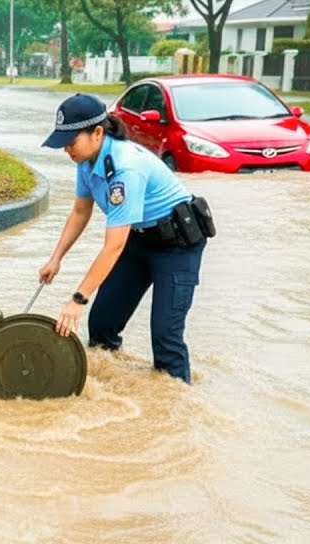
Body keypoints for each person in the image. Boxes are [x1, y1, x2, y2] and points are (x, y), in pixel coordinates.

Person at [37, 93, 210, 384]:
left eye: (71, 142)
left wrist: (78, 298)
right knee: (102, 325)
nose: (67, 150)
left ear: (98, 133)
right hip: (139, 242)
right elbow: (80, 212)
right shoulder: (86, 161)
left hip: (177, 247)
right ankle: (112, 393)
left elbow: (114, 245)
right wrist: (56, 259)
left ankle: (177, 409)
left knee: (166, 337)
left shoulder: (125, 169)